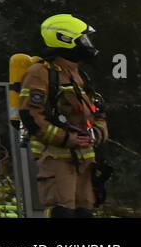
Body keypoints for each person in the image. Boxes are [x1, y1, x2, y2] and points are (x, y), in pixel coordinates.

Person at [19, 14, 109, 217]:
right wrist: (67, 138)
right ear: (65, 39)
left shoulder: (79, 75)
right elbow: (31, 115)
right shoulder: (40, 73)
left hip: (85, 158)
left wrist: (96, 134)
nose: (88, 44)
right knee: (62, 211)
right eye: (83, 39)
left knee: (84, 212)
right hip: (56, 158)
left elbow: (99, 112)